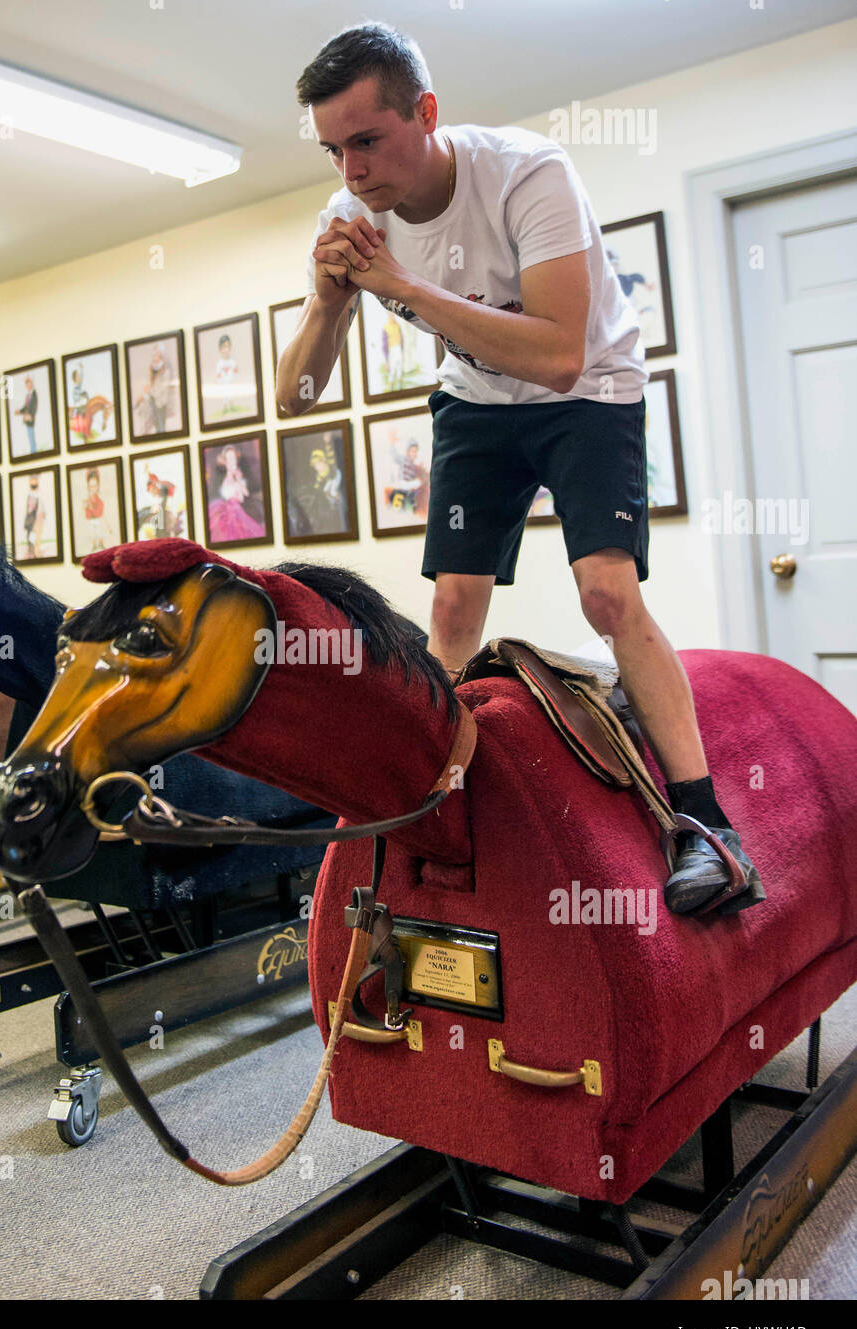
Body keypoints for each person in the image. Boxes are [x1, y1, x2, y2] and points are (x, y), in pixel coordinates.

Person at [276, 22, 763, 915]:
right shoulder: (348, 220)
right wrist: (327, 305)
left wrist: (405, 289)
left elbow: (558, 359)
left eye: (368, 141)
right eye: (333, 150)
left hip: (590, 393)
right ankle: (422, 816)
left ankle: (707, 830)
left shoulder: (527, 172)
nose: (351, 172)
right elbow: (295, 398)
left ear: (425, 113)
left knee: (606, 593)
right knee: (453, 607)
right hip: (478, 406)